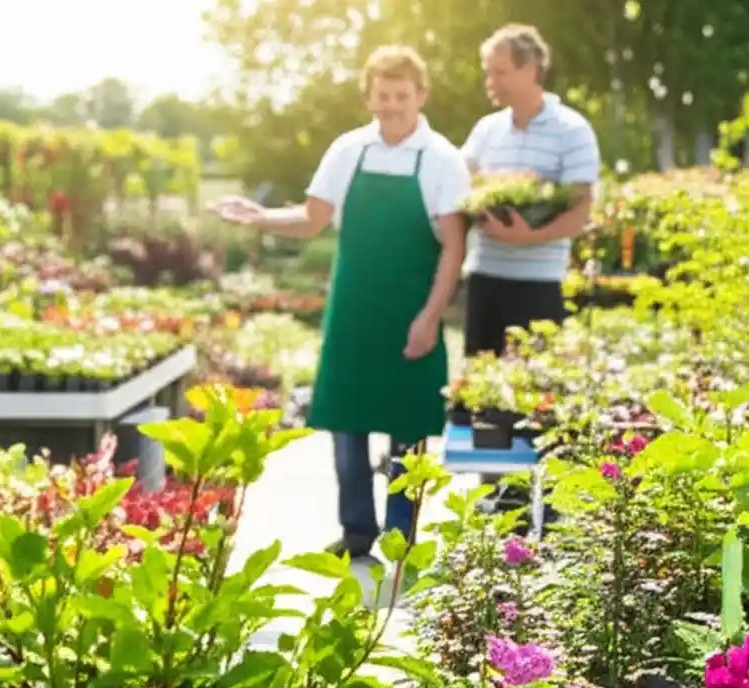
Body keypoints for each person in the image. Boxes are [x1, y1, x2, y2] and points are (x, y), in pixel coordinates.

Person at [213, 45, 471, 559]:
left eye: (402, 95)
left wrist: (430, 316)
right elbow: (311, 218)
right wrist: (258, 216)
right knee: (346, 423)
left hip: (410, 313)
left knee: (408, 429)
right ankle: (357, 532)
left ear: (421, 96)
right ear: (369, 97)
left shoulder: (442, 159)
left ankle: (401, 541)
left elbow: (454, 246)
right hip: (353, 311)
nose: (392, 105)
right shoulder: (349, 150)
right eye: (383, 95)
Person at [460, 23, 602, 357]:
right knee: (476, 391)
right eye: (488, 72)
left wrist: (525, 237)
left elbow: (579, 216)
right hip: (484, 277)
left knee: (531, 393)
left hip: (538, 285)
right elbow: (458, 187)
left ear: (530, 70)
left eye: (500, 72)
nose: (490, 82)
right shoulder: (485, 130)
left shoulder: (573, 131)